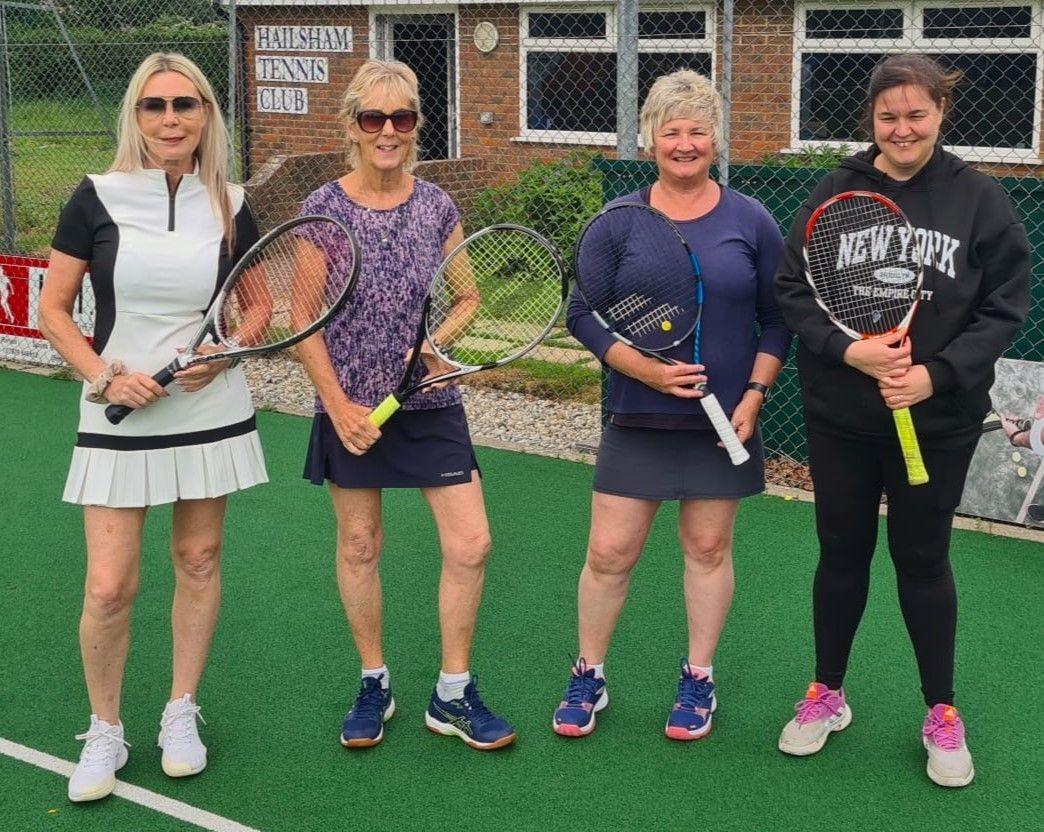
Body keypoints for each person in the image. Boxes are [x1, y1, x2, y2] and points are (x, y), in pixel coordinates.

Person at [774, 54, 1030, 787]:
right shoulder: (836, 188)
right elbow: (793, 289)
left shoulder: (980, 200)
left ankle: (942, 711)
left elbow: (1005, 306)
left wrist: (933, 376)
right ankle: (827, 693)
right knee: (841, 555)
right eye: (888, 116)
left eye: (917, 114)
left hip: (938, 420)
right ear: (871, 120)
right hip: (843, 418)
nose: (902, 128)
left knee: (922, 562)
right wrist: (847, 351)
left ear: (942, 114)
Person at [39, 53, 267, 802]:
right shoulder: (95, 197)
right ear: (135, 116)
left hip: (208, 407)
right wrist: (106, 377)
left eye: (187, 104)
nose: (171, 119)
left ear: (207, 115)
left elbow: (258, 308)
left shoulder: (232, 202)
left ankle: (179, 712)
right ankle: (104, 730)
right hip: (118, 410)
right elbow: (55, 309)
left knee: (198, 561)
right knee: (109, 587)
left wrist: (224, 355)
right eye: (155, 105)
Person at [554, 69, 790, 740]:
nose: (683, 143)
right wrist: (644, 372)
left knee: (708, 547)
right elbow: (584, 314)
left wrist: (753, 395)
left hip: (722, 426)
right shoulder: (620, 221)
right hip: (639, 414)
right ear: (649, 139)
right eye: (670, 130)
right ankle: (588, 676)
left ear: (715, 140)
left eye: (696, 130)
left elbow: (777, 320)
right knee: (608, 553)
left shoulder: (751, 220)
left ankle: (698, 680)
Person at [295, 60, 515, 751]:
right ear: (353, 128)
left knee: (472, 542)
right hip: (352, 408)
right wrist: (337, 407)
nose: (388, 131)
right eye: (373, 119)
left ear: (416, 126)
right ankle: (374, 681)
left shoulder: (436, 206)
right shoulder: (324, 208)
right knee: (360, 544)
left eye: (402, 118)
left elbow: (468, 296)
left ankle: (453, 692)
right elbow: (302, 317)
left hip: (427, 404)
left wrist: (436, 344)